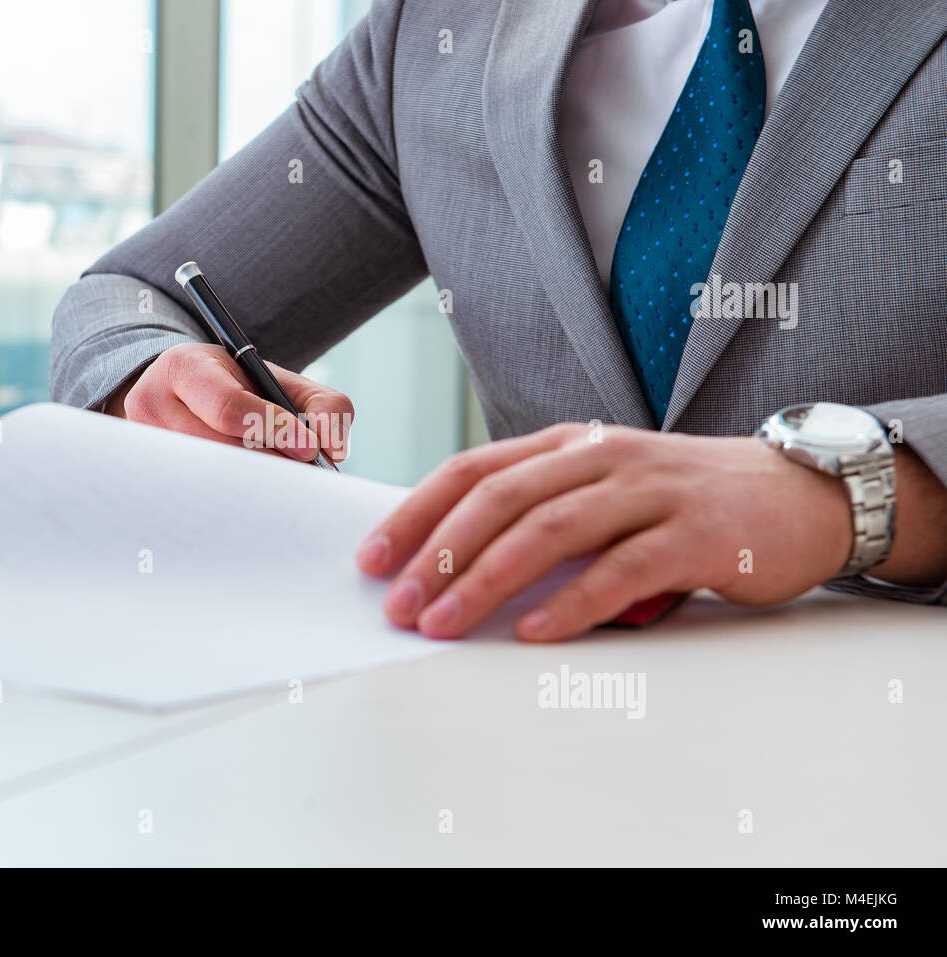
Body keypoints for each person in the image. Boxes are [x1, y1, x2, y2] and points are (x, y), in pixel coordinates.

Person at [50, 0, 947, 641]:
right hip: (526, 750)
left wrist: (836, 489)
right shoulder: (438, 30)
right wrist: (155, 380)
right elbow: (131, 297)